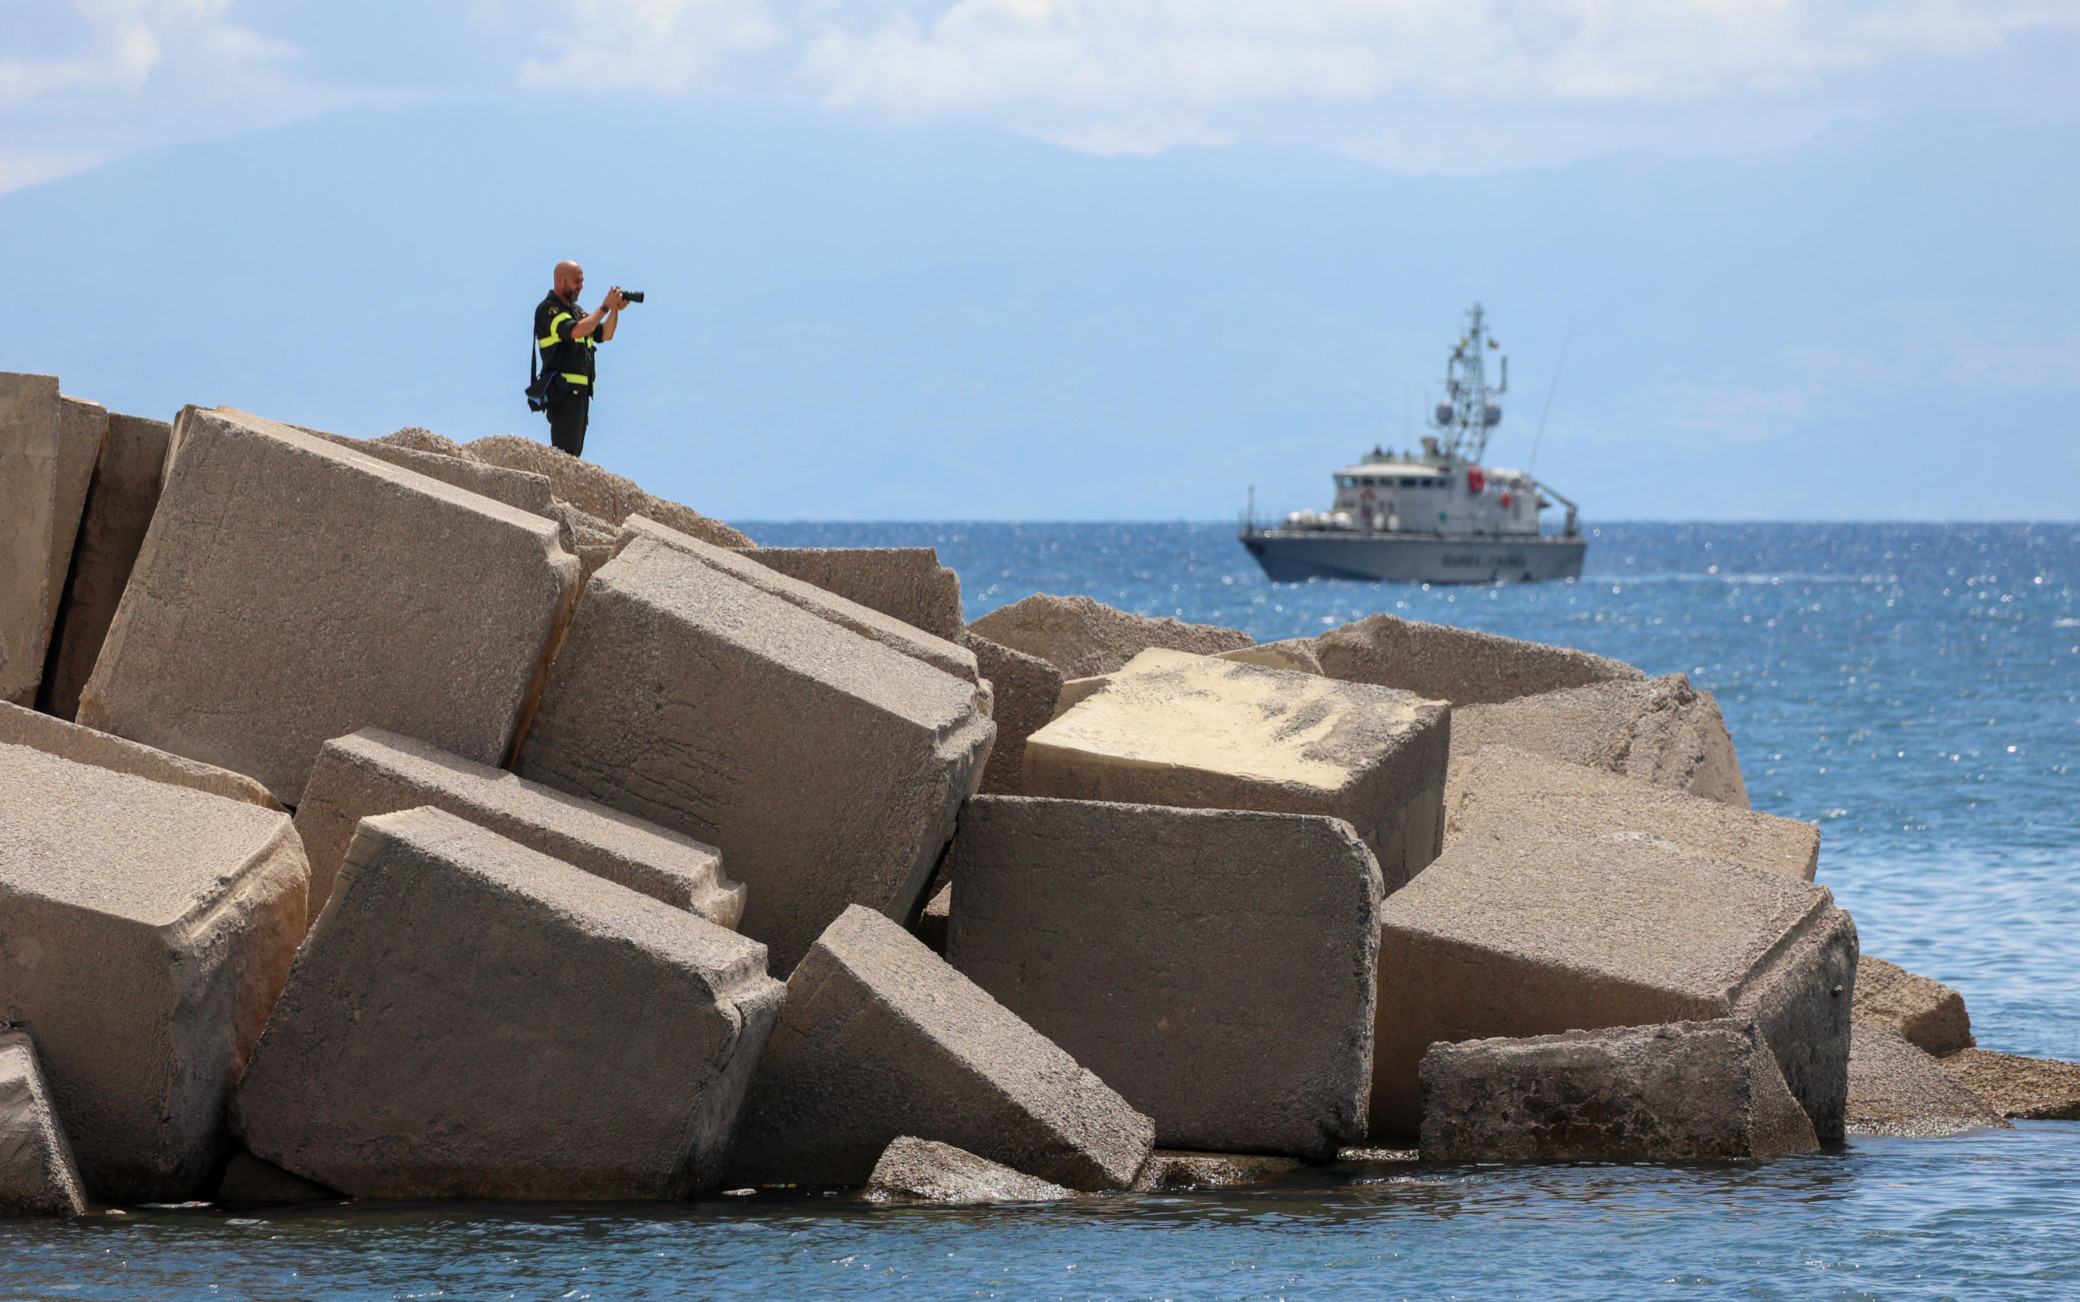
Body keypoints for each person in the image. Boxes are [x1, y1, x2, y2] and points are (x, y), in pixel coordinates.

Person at [533, 260, 629, 458]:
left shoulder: (576, 312)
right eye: (577, 281)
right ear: (560, 280)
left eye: (582, 281)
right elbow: (576, 330)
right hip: (564, 395)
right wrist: (604, 307)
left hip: (580, 397)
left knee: (574, 456)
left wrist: (614, 310)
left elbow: (605, 334)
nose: (581, 287)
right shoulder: (549, 310)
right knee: (565, 456)